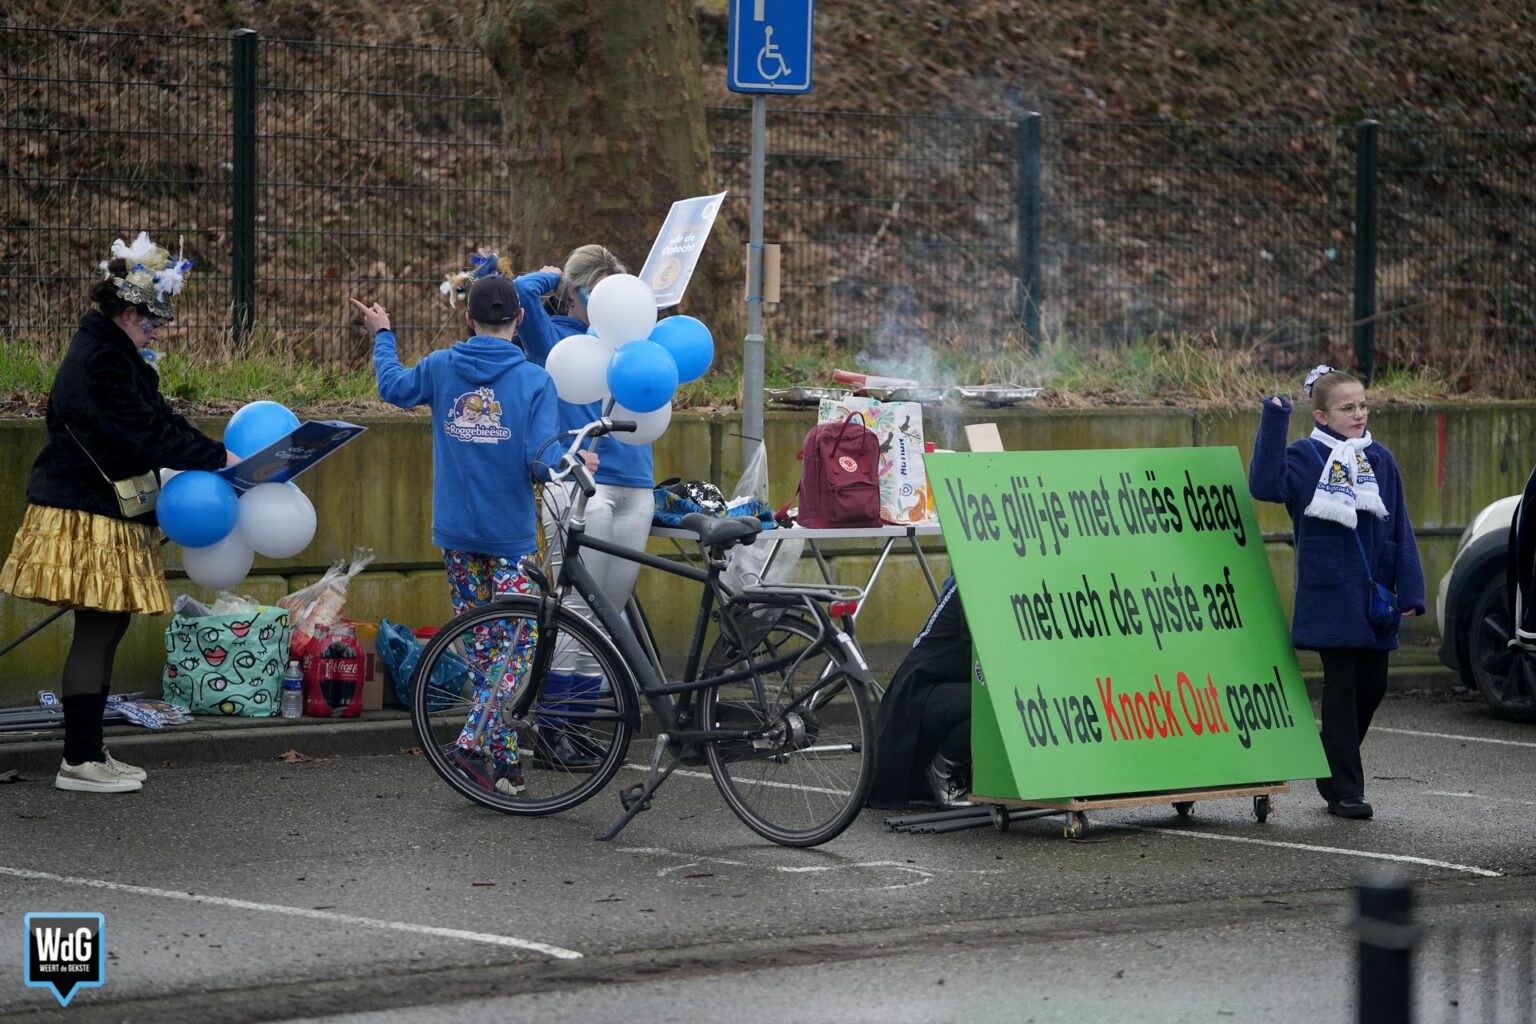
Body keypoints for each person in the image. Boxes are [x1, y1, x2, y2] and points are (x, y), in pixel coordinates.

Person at [0, 232, 235, 794]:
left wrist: (216, 453)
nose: (155, 330)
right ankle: (79, 759)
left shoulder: (111, 352)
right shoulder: (103, 359)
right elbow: (148, 431)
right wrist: (220, 457)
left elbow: (161, 418)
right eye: (149, 321)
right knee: (98, 628)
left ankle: (89, 751)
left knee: (107, 628)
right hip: (86, 512)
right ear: (127, 311)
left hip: (101, 508)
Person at [353, 276, 590, 795]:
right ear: (520, 321)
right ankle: (469, 743)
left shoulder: (441, 367)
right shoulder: (534, 381)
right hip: (510, 540)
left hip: (457, 536)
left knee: (487, 649)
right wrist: (576, 458)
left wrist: (384, 333)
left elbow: (393, 387)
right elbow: (542, 460)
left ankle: (502, 764)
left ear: (468, 319)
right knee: (518, 649)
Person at [1248, 364, 1425, 820]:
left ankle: (1329, 769)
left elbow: (1399, 526)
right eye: (1348, 408)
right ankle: (1346, 791)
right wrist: (1273, 418)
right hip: (1330, 597)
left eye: (1363, 405)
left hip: (1374, 599)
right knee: (1342, 686)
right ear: (1322, 416)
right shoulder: (1304, 457)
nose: (1359, 414)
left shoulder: (1379, 459)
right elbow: (1265, 485)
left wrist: (1410, 590)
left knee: (1375, 684)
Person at [513, 245, 657, 768]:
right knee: (575, 608)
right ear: (576, 294)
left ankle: (579, 727)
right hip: (576, 483)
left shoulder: (629, 338)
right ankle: (553, 732)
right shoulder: (550, 335)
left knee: (609, 615)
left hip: (636, 484)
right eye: (591, 289)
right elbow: (515, 293)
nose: (599, 299)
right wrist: (553, 276)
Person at [867, 577, 975, 809]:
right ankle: (942, 772)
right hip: (919, 695)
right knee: (992, 704)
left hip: (948, 687)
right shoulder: (970, 582)